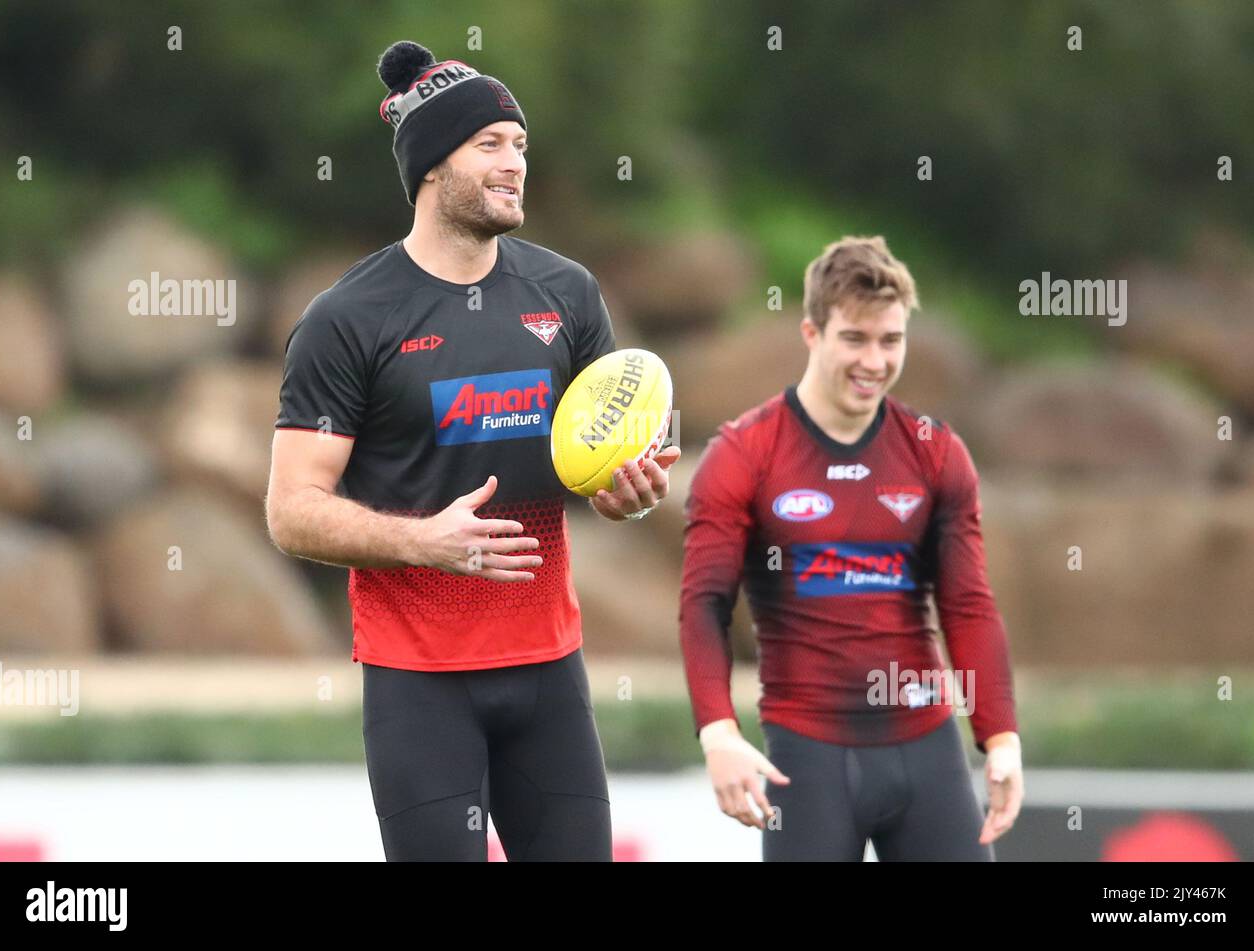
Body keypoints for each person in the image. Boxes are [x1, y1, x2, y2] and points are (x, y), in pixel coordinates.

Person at [265, 40, 680, 861]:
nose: (514, 162)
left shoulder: (567, 294)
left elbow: (603, 455)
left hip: (550, 672)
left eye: (520, 145)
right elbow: (290, 510)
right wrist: (422, 540)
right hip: (418, 685)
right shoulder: (348, 318)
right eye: (489, 144)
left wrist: (631, 490)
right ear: (430, 168)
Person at [679, 236, 1022, 861]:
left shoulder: (935, 451)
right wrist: (718, 733)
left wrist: (1000, 737)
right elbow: (704, 604)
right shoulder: (744, 453)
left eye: (891, 341)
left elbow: (968, 603)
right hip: (808, 757)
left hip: (925, 748)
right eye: (855, 340)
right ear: (812, 333)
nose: (874, 360)